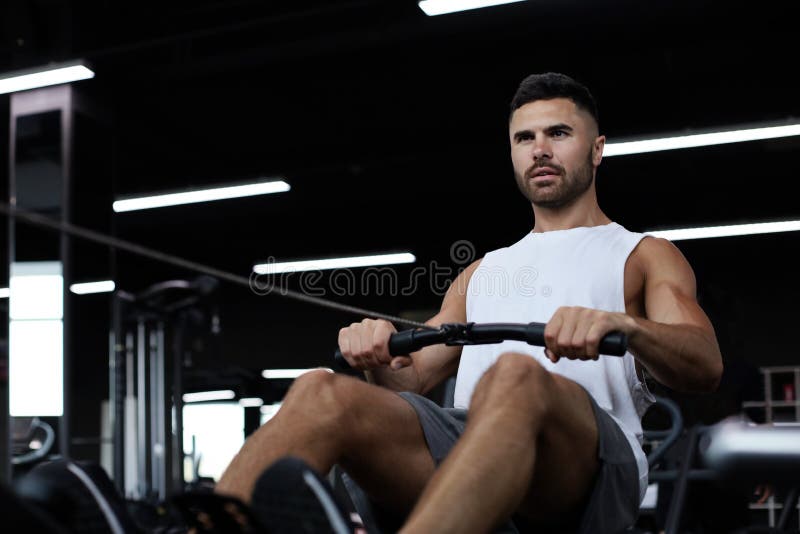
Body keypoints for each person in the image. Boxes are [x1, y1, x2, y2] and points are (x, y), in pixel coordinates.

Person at [216, 72, 723, 533]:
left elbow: (704, 363)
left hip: (588, 469)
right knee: (318, 391)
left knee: (515, 376)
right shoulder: (483, 272)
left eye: (559, 134)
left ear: (597, 150)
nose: (539, 150)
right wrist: (376, 352)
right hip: (473, 453)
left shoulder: (641, 253)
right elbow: (410, 380)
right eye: (525, 138)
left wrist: (622, 325)